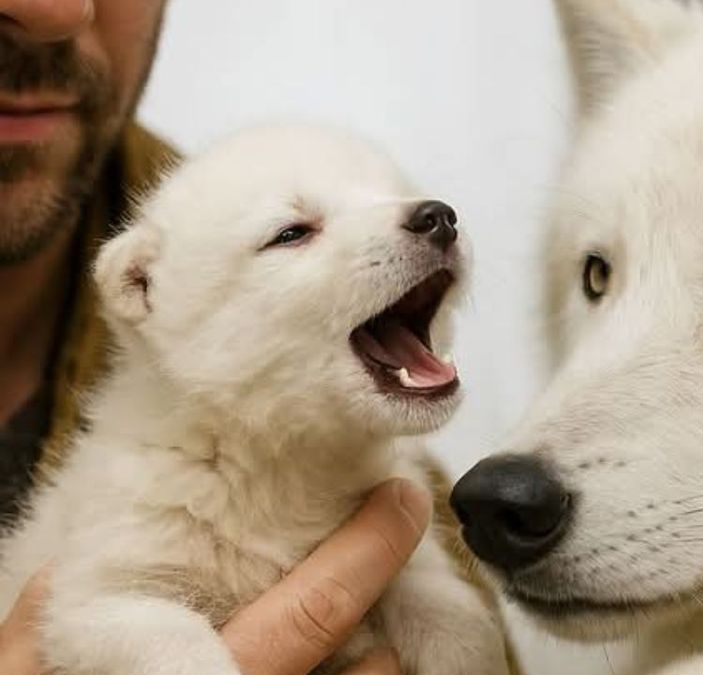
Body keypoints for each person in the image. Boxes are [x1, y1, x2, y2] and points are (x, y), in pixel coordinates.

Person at [0, 3, 501, 673]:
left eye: (383, 198)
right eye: (293, 234)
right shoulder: (140, 483)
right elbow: (99, 614)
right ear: (143, 290)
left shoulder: (391, 471)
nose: (52, 9)